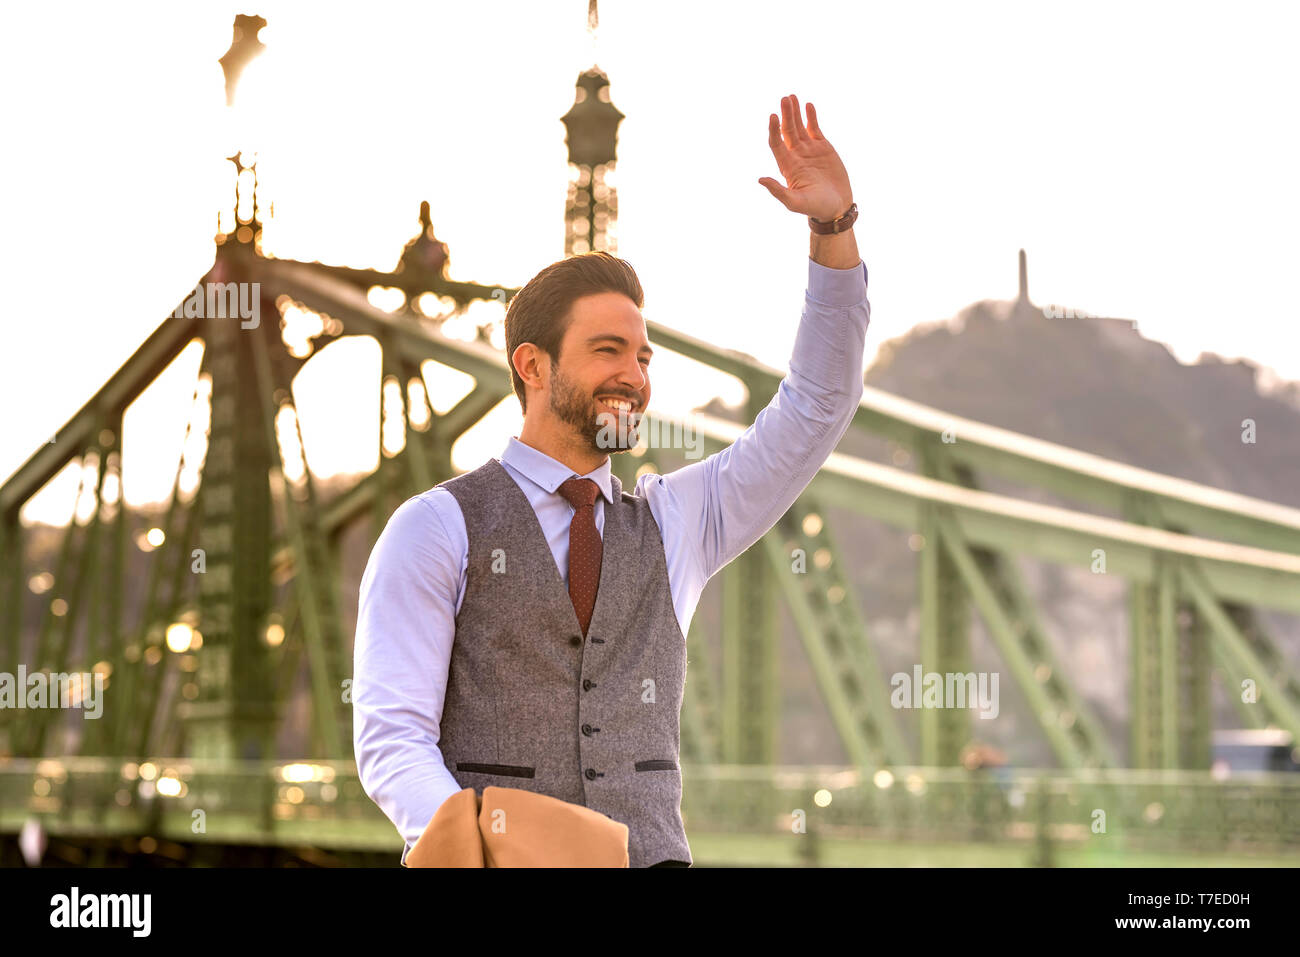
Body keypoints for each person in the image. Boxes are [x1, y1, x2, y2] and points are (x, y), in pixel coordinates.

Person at [354, 94, 870, 867]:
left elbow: (818, 405)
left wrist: (833, 231)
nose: (633, 376)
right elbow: (393, 739)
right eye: (607, 351)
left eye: (644, 357)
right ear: (532, 366)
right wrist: (492, 844)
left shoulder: (676, 524)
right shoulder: (436, 528)